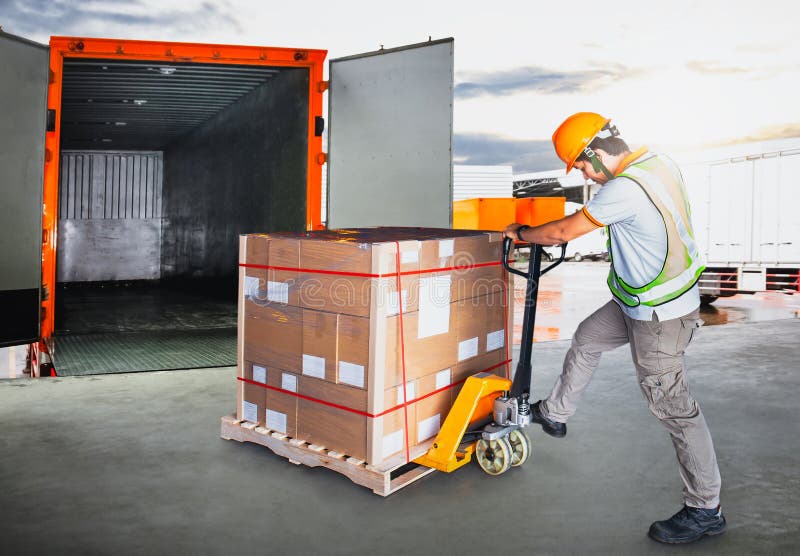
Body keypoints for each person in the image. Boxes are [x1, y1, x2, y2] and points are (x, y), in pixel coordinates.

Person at [504, 112, 725, 545]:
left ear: (599, 153)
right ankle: (556, 413)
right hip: (637, 300)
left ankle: (705, 509)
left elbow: (565, 231)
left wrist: (523, 233)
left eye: (583, 166)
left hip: (659, 315)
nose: (585, 175)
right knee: (587, 337)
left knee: (675, 410)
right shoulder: (658, 161)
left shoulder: (624, 188)